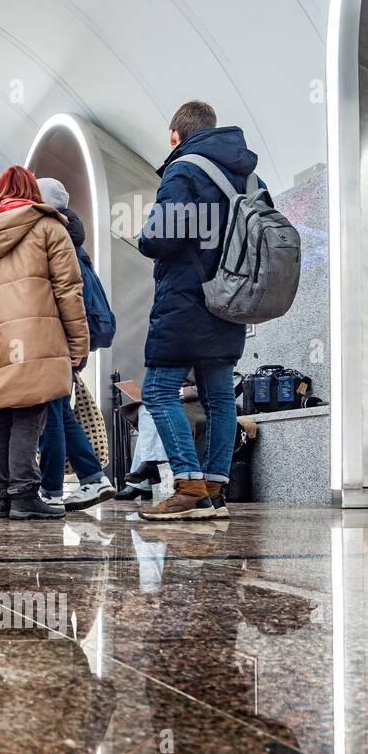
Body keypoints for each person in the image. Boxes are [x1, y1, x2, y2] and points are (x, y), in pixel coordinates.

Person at [0, 165, 88, 520]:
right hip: (36, 340)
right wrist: (78, 342)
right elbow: (68, 290)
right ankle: (24, 494)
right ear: (33, 193)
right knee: (29, 415)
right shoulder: (49, 228)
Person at [136, 101, 255, 520]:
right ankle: (216, 490)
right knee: (221, 397)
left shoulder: (184, 170)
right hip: (231, 299)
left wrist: (144, 235)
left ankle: (189, 488)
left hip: (187, 301)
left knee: (157, 391)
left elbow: (160, 238)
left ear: (174, 135)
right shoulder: (244, 174)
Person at [33, 178, 117, 511]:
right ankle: (92, 478)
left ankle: (53, 489)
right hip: (69, 341)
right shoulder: (72, 238)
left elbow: (65, 296)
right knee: (58, 412)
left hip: (59, 340)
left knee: (50, 413)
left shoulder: (55, 239)